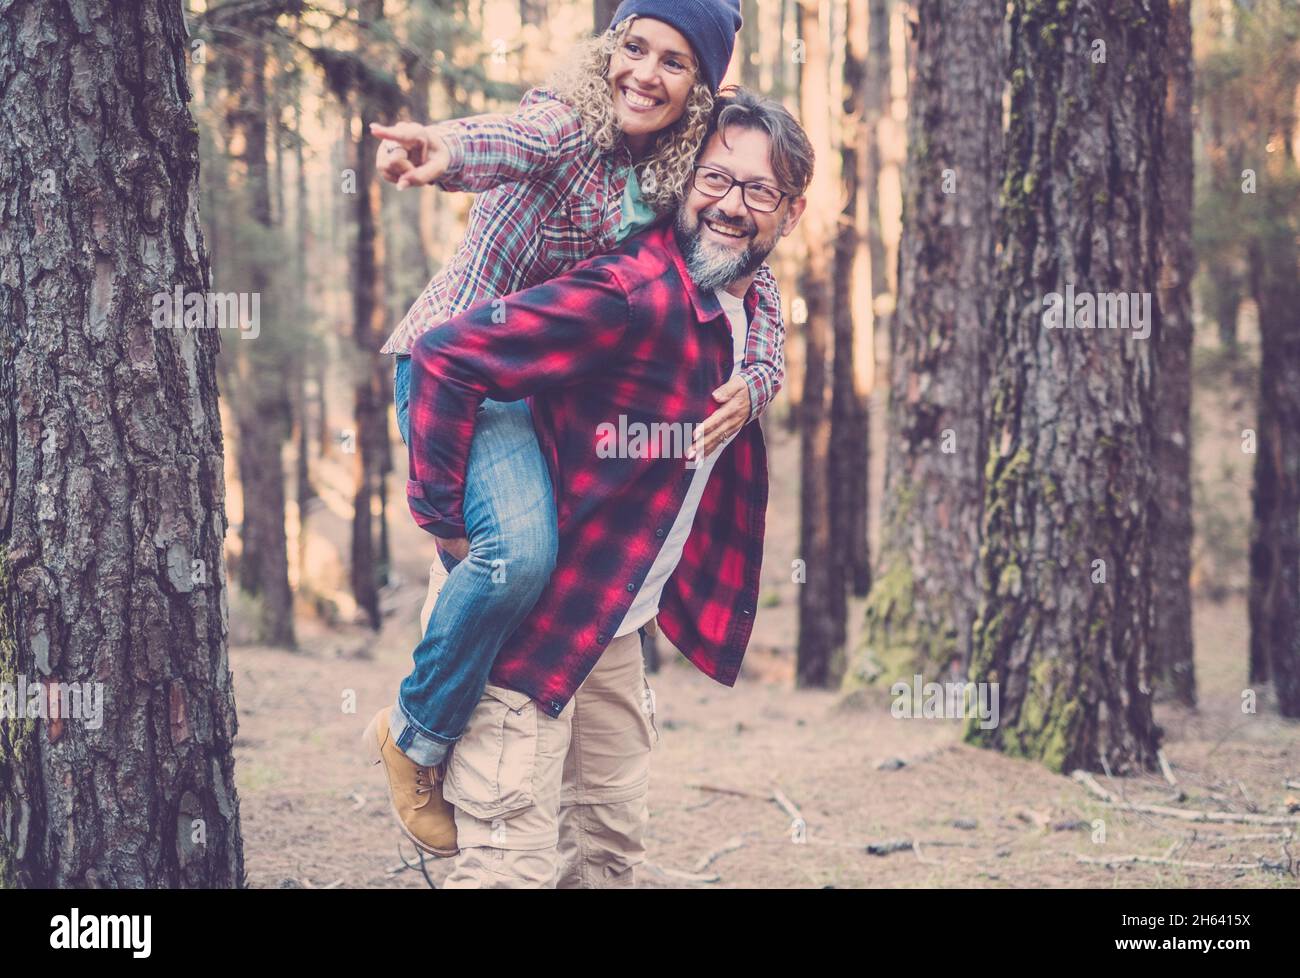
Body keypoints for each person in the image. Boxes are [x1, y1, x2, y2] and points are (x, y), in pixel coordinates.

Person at [362, 0, 789, 859]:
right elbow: (510, 142)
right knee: (516, 555)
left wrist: (759, 376)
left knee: (542, 557)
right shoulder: (569, 119)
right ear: (610, 47)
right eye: (634, 47)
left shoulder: (678, 171)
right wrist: (442, 150)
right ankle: (416, 734)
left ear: (700, 87)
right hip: (451, 364)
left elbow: (752, 273)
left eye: (674, 62)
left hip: (522, 391)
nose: (644, 73)